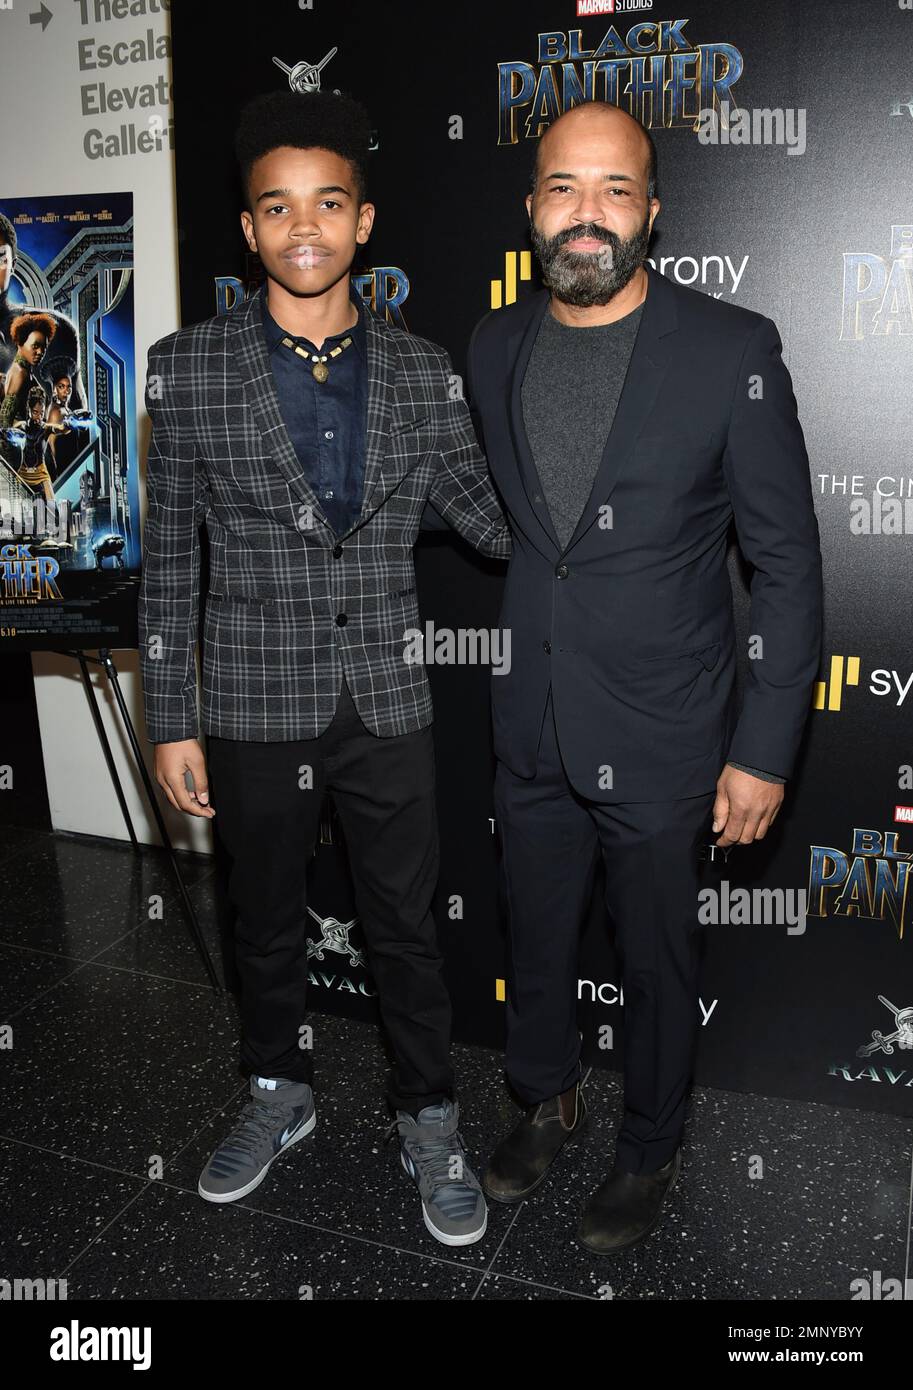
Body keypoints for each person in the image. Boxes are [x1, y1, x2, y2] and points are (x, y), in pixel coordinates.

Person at [137, 89, 511, 1248]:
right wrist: (169, 715)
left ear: (364, 222)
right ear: (249, 230)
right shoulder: (183, 366)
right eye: (277, 207)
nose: (305, 227)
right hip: (251, 697)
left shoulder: (422, 369)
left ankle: (428, 1112)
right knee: (262, 919)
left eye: (328, 204)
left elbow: (492, 523)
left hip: (389, 697)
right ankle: (275, 1092)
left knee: (404, 924)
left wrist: (598, 486)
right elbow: (167, 560)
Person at [468, 101, 823, 1254]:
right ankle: (544, 1095)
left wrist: (763, 743)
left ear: (652, 211)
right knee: (534, 931)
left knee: (659, 957)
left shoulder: (731, 351)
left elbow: (783, 564)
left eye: (614, 190)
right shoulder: (493, 345)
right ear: (530, 209)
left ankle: (647, 1144)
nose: (587, 214)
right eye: (563, 188)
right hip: (530, 713)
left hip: (668, 730)